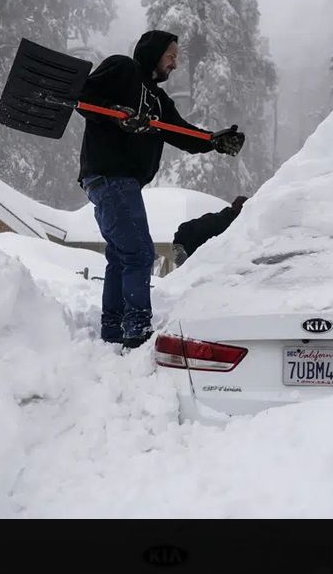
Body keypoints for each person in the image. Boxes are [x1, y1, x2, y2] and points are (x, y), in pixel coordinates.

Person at [76, 30, 245, 348]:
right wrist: (118, 115)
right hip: (111, 175)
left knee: (122, 256)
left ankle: (113, 327)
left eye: (177, 57)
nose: (176, 64)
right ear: (154, 52)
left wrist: (213, 140)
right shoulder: (122, 68)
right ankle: (136, 328)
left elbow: (181, 133)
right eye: (171, 56)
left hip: (119, 183)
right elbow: (84, 99)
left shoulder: (157, 100)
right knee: (139, 253)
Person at [172, 195, 249, 267]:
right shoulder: (217, 221)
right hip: (196, 262)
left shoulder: (239, 227)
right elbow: (185, 227)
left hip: (205, 263)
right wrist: (179, 248)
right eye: (242, 208)